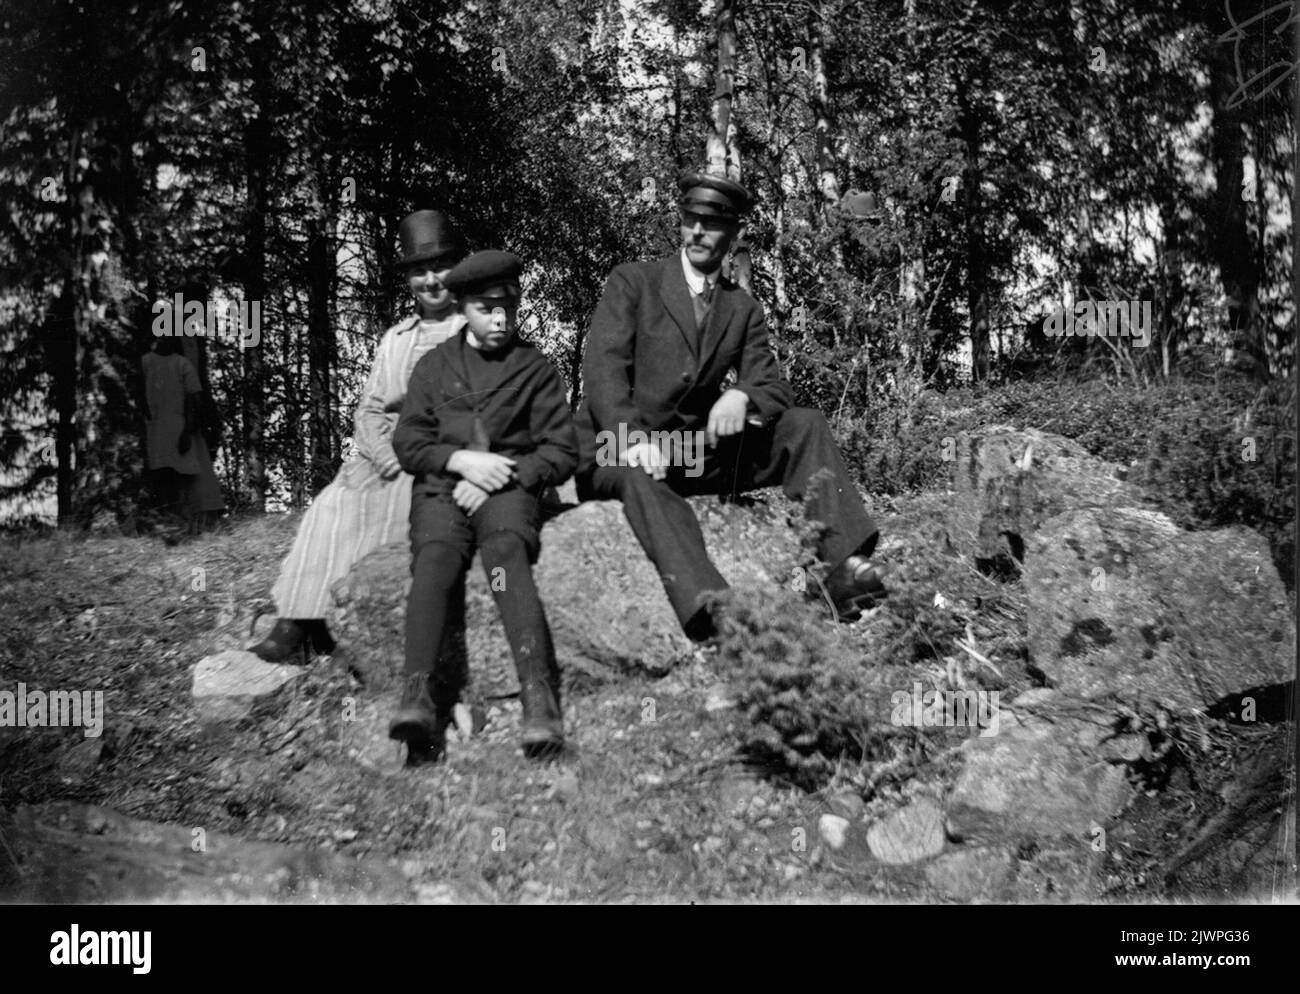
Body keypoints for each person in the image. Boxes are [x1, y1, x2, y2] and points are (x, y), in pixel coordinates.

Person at [575, 172, 887, 640]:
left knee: (803, 425)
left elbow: (773, 386)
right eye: (690, 220)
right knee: (639, 473)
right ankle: (714, 612)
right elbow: (602, 372)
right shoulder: (634, 282)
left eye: (712, 223)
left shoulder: (741, 308)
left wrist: (741, 395)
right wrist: (633, 439)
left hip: (687, 453)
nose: (698, 232)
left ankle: (845, 571)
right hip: (615, 449)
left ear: (733, 233)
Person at [248, 210, 471, 663]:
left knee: (395, 507)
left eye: (441, 268)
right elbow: (369, 407)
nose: (430, 280)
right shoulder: (396, 338)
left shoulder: (473, 330)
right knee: (333, 503)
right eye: (418, 271)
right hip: (385, 454)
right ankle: (297, 620)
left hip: (438, 454)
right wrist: (382, 454)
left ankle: (345, 623)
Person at [390, 250, 577, 763]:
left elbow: (561, 451)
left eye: (508, 308)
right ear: (463, 309)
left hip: (509, 490)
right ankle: (419, 697)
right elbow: (408, 442)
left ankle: (540, 702)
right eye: (486, 308)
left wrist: (503, 473)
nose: (500, 319)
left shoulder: (534, 369)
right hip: (443, 491)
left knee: (505, 557)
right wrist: (460, 461)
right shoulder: (435, 366)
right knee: (435, 561)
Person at [140, 335, 205, 535]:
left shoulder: (181, 363)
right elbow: (137, 393)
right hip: (153, 429)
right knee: (158, 478)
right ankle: (162, 528)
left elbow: (194, 398)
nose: (164, 339)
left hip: (178, 429)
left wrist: (187, 431)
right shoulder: (145, 362)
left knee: (182, 478)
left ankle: (184, 529)